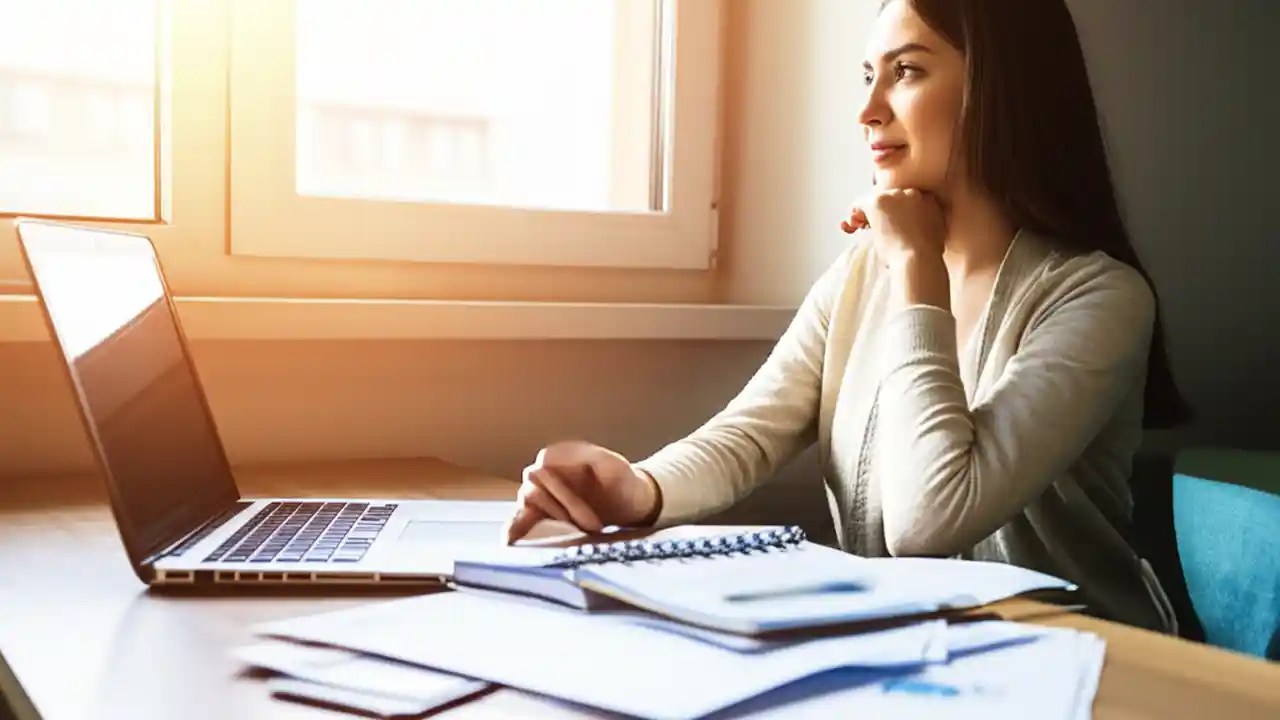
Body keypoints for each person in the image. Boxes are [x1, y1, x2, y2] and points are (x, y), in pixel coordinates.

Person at [503, 0, 1190, 633]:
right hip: (912, 661)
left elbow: (930, 520)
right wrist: (641, 487)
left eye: (906, 72)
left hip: (1085, 664)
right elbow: (749, 437)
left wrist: (917, 271)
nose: (867, 109)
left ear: (999, 90)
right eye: (867, 74)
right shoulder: (864, 270)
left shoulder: (1100, 298)